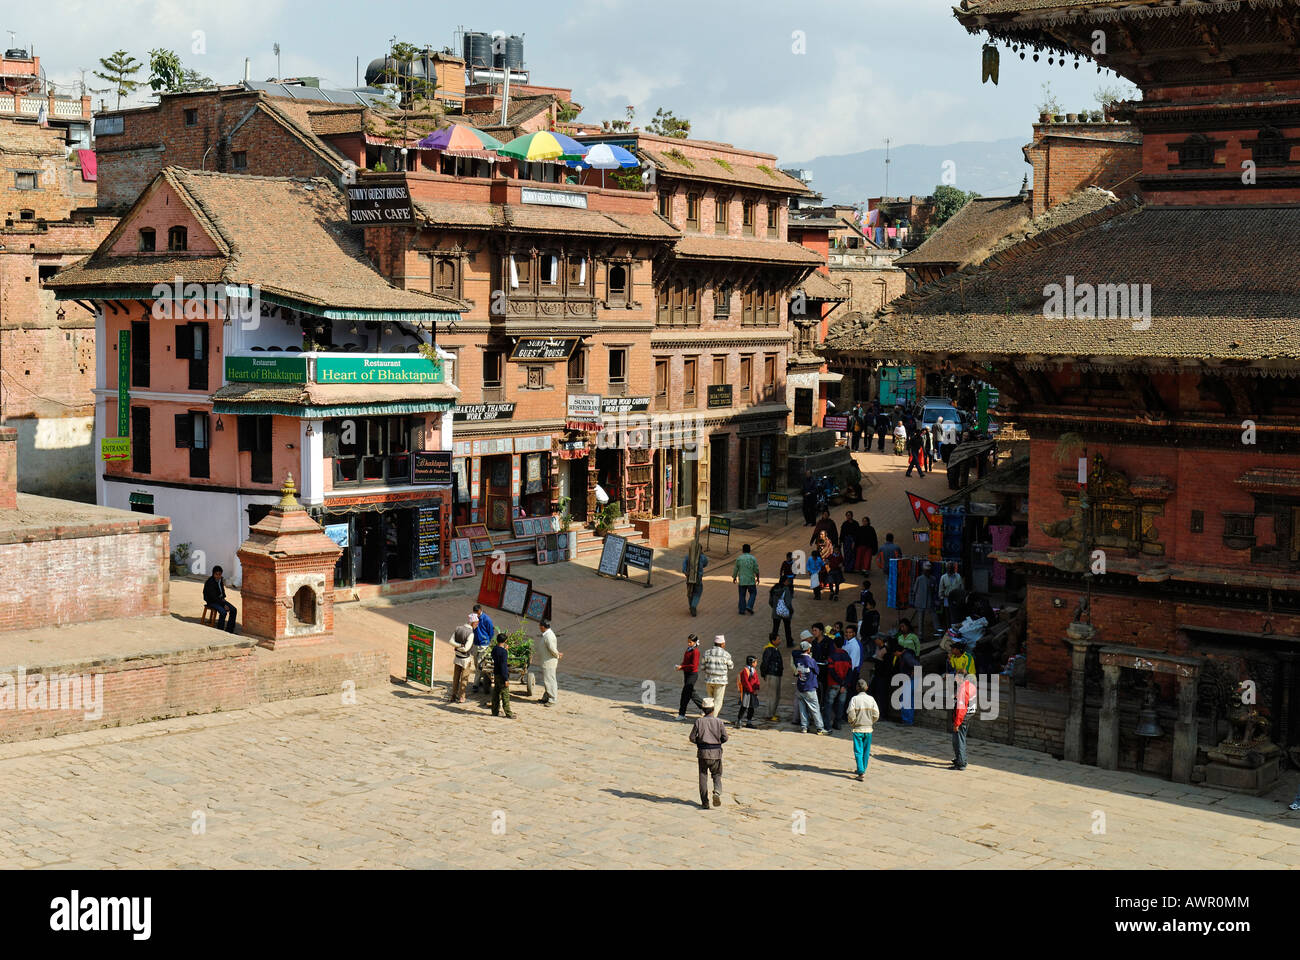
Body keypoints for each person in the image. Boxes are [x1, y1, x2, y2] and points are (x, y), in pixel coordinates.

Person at [689, 701, 729, 809]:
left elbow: (692, 738)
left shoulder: (699, 721)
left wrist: (700, 741)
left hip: (702, 753)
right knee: (716, 775)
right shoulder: (719, 722)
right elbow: (725, 737)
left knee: (703, 777)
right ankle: (717, 791)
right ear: (713, 709)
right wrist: (717, 742)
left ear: (703, 709)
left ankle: (705, 802)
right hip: (716, 754)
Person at [846, 679, 881, 781]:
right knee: (866, 751)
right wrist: (870, 722)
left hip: (858, 729)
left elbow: (851, 714)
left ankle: (860, 772)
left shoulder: (854, 699)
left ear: (857, 688)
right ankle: (863, 769)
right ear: (867, 688)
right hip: (868, 729)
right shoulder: (871, 699)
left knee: (858, 751)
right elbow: (876, 714)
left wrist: (853, 723)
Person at [950, 640, 977, 770]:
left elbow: (961, 709)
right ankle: (961, 759)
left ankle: (961, 763)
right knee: (962, 738)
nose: (954, 678)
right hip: (970, 713)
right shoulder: (970, 687)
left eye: (956, 676)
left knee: (958, 738)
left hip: (963, 716)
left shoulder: (962, 689)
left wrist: (956, 723)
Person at [793, 640, 828, 735]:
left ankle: (804, 727)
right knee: (815, 709)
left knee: (802, 708)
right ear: (808, 649)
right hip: (810, 687)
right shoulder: (811, 660)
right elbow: (817, 671)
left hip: (801, 686)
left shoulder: (798, 659)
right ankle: (820, 728)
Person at [822, 636, 853, 731]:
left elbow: (831, 671)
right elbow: (849, 672)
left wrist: (840, 682)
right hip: (844, 686)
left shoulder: (832, 656)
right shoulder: (847, 656)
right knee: (840, 705)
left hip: (833, 684)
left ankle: (827, 725)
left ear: (834, 645)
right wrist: (844, 684)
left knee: (828, 704)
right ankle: (837, 723)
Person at [701, 635, 734, 718]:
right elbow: (731, 667)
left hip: (709, 680)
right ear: (722, 644)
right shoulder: (726, 654)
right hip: (720, 681)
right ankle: (712, 718)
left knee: (710, 699)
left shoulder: (707, 653)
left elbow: (702, 667)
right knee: (718, 701)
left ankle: (708, 715)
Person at [675, 634, 707, 719]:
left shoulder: (695, 652)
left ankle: (681, 714)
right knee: (692, 694)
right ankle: (706, 708)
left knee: (685, 694)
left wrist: (682, 667)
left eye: (690, 642)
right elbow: (686, 661)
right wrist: (681, 665)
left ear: (695, 642)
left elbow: (694, 666)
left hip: (692, 675)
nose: (688, 644)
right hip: (687, 674)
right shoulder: (688, 650)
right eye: (688, 642)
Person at [448, 616, 476, 703]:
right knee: (464, 678)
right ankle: (462, 697)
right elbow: (466, 649)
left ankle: (453, 695)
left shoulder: (458, 629)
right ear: (473, 623)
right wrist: (461, 646)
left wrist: (457, 646)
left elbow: (451, 641)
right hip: (465, 659)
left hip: (457, 657)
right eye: (477, 623)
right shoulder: (471, 634)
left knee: (455, 677)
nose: (477, 625)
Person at [203, 566, 237, 633]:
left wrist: (223, 599)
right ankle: (220, 631)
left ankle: (229, 631)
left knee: (233, 610)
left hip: (220, 600)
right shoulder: (210, 582)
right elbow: (214, 597)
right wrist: (223, 605)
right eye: (216, 574)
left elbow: (222, 591)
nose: (218, 576)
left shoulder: (220, 579)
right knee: (223, 612)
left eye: (220, 574)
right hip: (211, 601)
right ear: (213, 574)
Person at [490, 632, 515, 719]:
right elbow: (504, 666)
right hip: (502, 675)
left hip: (496, 673)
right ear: (505, 641)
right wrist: (506, 679)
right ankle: (508, 713)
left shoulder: (494, 649)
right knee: (505, 695)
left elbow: (495, 657)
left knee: (496, 693)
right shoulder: (503, 652)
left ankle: (495, 711)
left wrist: (505, 650)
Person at [471, 603, 495, 695]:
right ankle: (480, 679)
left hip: (484, 645)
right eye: (474, 612)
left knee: (480, 665)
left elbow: (491, 632)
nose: (476, 614)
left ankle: (475, 684)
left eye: (477, 612)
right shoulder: (474, 618)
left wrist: (486, 641)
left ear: (480, 610)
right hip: (475, 643)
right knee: (476, 663)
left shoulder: (487, 619)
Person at [681, 536, 708, 617]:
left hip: (689, 577)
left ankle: (691, 606)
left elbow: (683, 568)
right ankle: (693, 606)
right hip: (698, 578)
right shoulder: (702, 557)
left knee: (690, 592)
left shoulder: (687, 557)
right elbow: (706, 563)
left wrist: (686, 573)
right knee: (697, 592)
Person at [760, 634, 785, 722]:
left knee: (776, 695)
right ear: (773, 641)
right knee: (772, 695)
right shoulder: (769, 650)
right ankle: (769, 714)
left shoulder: (774, 649)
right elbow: (765, 663)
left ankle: (773, 712)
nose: (780, 640)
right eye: (778, 639)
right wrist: (764, 674)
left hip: (776, 674)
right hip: (772, 674)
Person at [538, 618, 562, 706]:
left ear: (543, 627)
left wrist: (557, 654)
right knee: (547, 680)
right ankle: (546, 697)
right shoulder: (547, 635)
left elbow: (552, 649)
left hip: (549, 662)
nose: (539, 628)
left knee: (550, 680)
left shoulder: (549, 636)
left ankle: (552, 699)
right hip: (546, 660)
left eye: (540, 626)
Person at [732, 543, 760, 615]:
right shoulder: (753, 558)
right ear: (750, 550)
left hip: (742, 580)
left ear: (742, 550)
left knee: (742, 595)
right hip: (751, 580)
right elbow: (756, 569)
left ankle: (742, 610)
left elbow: (736, 569)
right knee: (753, 593)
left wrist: (734, 577)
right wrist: (758, 578)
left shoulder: (739, 558)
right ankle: (749, 606)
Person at [768, 575, 795, 647]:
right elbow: (788, 602)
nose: (788, 582)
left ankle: (773, 643)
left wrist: (775, 608)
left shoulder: (774, 589)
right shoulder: (786, 589)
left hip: (776, 612)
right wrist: (791, 610)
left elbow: (770, 602)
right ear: (784, 581)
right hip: (785, 612)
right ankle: (789, 643)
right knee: (787, 628)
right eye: (787, 581)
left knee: (775, 629)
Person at [911, 561, 935, 638]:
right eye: (926, 570)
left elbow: (934, 590)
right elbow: (914, 590)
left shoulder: (933, 579)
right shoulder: (919, 579)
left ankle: (937, 632)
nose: (927, 572)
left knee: (934, 617)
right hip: (920, 602)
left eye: (928, 571)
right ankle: (920, 635)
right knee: (920, 619)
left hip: (928, 602)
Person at [939, 563, 965, 631]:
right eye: (948, 568)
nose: (949, 569)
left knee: (956, 616)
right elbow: (941, 589)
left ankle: (956, 630)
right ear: (946, 569)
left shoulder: (958, 576)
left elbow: (962, 588)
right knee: (948, 617)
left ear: (953, 569)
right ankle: (949, 630)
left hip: (957, 599)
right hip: (947, 599)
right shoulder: (943, 577)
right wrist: (941, 598)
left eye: (951, 568)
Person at [736, 656, 761, 728]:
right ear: (751, 662)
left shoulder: (753, 670)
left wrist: (757, 688)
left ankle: (749, 721)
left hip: (752, 691)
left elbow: (756, 680)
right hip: (747, 691)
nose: (756, 663)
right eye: (755, 662)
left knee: (751, 707)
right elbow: (745, 682)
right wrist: (751, 690)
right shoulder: (745, 671)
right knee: (744, 706)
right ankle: (739, 720)